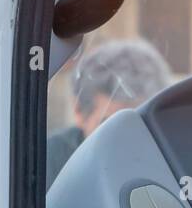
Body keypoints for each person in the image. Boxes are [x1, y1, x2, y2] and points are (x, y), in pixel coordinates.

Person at [46, 39, 172, 190]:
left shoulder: (174, 159)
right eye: (110, 126)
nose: (128, 143)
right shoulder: (45, 164)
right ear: (79, 111)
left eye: (142, 126)